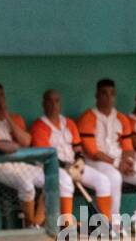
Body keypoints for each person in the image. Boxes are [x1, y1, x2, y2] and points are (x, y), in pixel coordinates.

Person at [78, 77, 136, 235]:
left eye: (112, 94)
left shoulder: (121, 118)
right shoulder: (88, 117)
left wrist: (129, 161)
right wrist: (118, 164)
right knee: (114, 176)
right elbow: (93, 151)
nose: (109, 97)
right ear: (97, 95)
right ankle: (114, 222)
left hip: (119, 162)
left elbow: (128, 147)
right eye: (104, 93)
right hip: (95, 163)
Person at [30, 88, 112, 226]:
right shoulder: (39, 126)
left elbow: (78, 148)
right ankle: (67, 224)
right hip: (50, 168)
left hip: (73, 165)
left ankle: (106, 223)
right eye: (50, 101)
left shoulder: (69, 123)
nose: (54, 104)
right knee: (66, 181)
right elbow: (46, 155)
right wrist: (67, 167)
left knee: (103, 180)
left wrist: (79, 162)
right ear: (43, 104)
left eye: (57, 101)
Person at [0, 82, 45, 229]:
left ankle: (36, 223)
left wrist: (7, 117)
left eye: (1, 95)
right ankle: (30, 226)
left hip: (19, 164)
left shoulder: (15, 119)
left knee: (55, 179)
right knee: (26, 184)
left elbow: (26, 142)